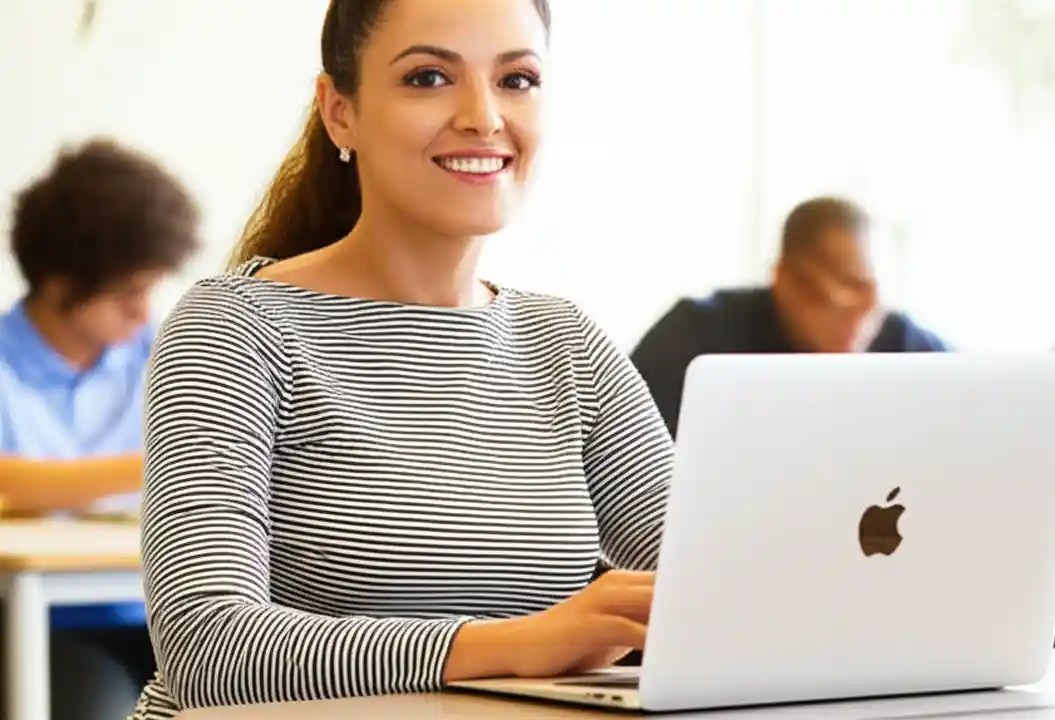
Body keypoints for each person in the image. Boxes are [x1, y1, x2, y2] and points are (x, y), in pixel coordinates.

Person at [132, 0, 672, 717]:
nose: (484, 117)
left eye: (517, 80)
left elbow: (709, 579)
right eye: (428, 78)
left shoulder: (564, 341)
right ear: (339, 112)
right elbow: (209, 652)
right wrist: (513, 644)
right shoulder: (237, 327)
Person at [0, 139, 198, 719]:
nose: (144, 311)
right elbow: (11, 482)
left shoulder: (160, 353)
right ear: (63, 280)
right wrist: (177, 452)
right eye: (129, 292)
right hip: (43, 625)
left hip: (168, 620)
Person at [631, 196, 950, 436]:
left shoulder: (914, 351)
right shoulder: (696, 334)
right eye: (845, 288)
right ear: (784, 278)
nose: (863, 313)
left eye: (875, 293)